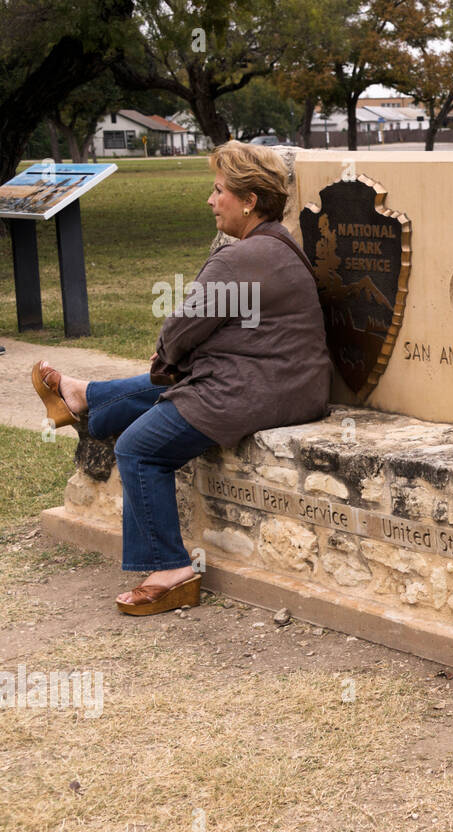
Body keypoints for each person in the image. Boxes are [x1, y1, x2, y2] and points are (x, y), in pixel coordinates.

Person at [32, 141, 331, 615]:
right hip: (291, 387)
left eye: (218, 191)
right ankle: (82, 397)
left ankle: (170, 568)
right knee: (168, 385)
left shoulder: (238, 258)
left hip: (253, 390)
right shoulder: (281, 245)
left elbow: (180, 330)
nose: (210, 201)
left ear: (248, 200)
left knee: (138, 446)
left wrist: (171, 355)